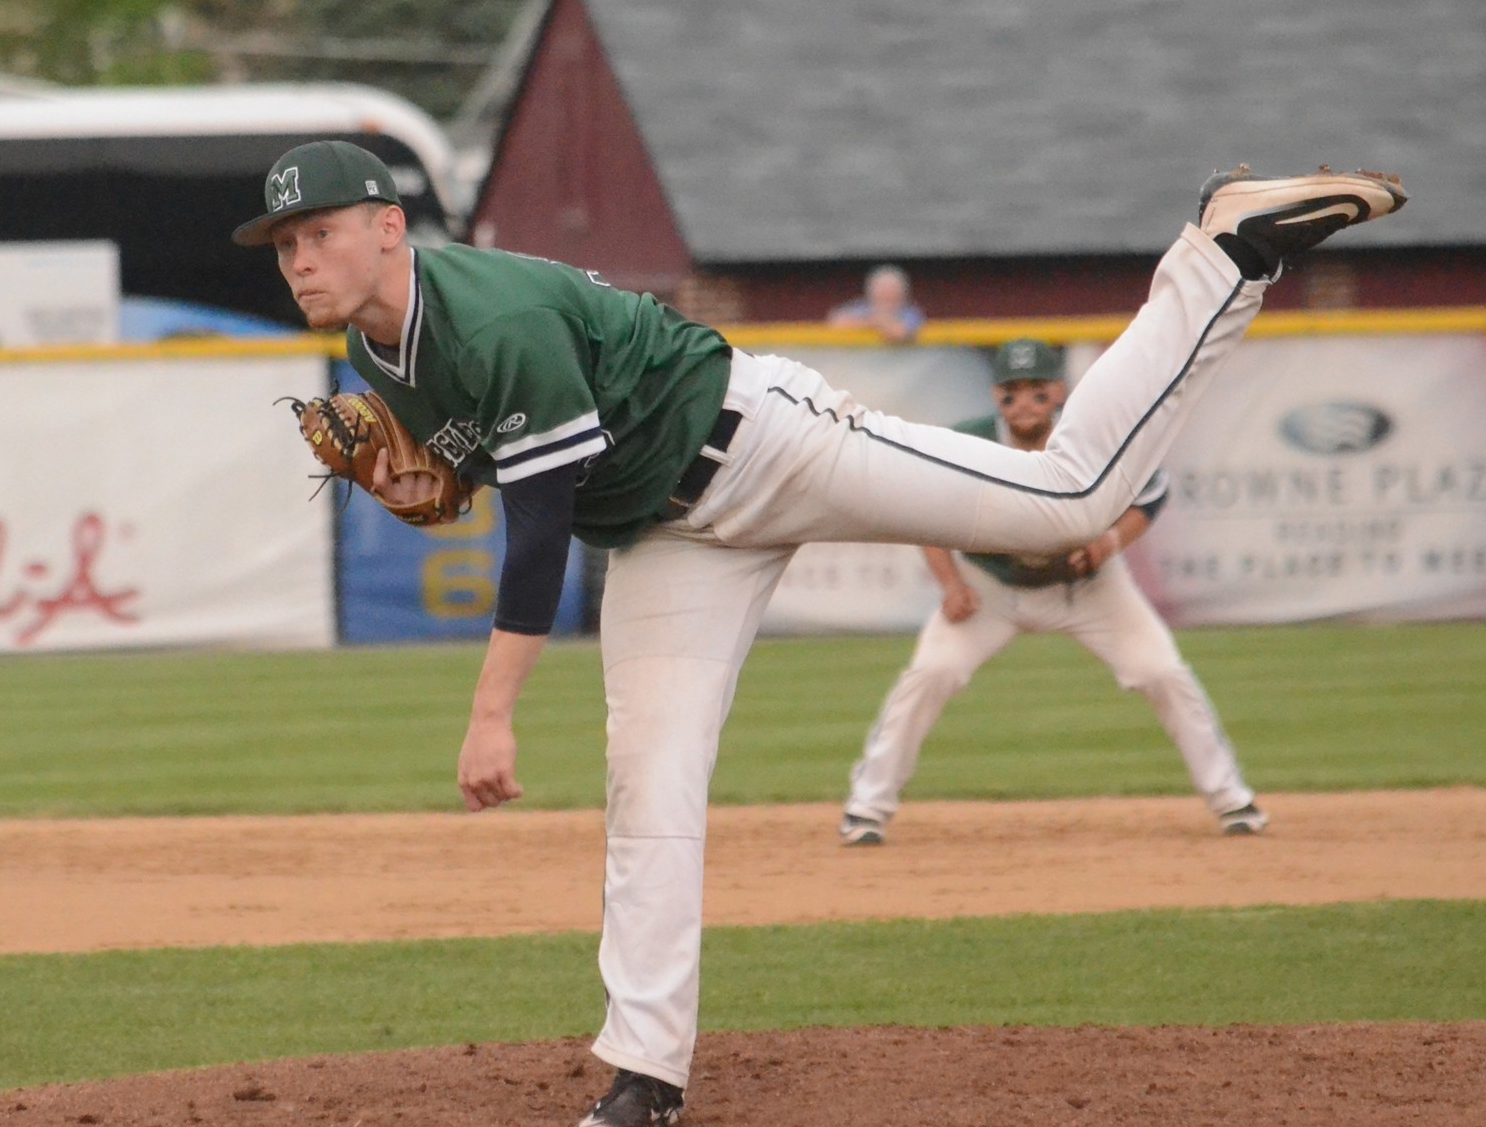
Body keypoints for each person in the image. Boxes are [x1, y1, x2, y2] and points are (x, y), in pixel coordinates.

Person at [231, 140, 1404, 1127]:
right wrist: (441, 477)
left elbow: (537, 535)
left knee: (1071, 500)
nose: (299, 260)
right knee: (649, 777)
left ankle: (1221, 254)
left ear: (388, 227)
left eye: (317, 233)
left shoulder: (495, 316)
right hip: (665, 537)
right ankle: (645, 1073)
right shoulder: (373, 351)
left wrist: (491, 712)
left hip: (764, 444)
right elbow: (505, 467)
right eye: (284, 246)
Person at [838, 337, 1266, 851]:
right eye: (1012, 391)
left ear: (1059, 392)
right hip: (990, 586)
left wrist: (1109, 543)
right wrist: (951, 584)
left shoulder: (1090, 439)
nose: (1024, 402)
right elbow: (922, 515)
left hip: (1088, 588)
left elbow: (1152, 493)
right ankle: (867, 808)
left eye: (1036, 390)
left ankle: (1232, 799)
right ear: (995, 396)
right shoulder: (970, 443)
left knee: (1161, 673)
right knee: (932, 673)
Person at [826, 262, 925, 343]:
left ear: (903, 292)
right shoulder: (863, 307)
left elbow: (900, 333)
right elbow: (836, 322)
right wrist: (875, 323)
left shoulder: (910, 312)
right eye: (882, 290)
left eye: (892, 290)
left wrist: (871, 323)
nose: (887, 294)